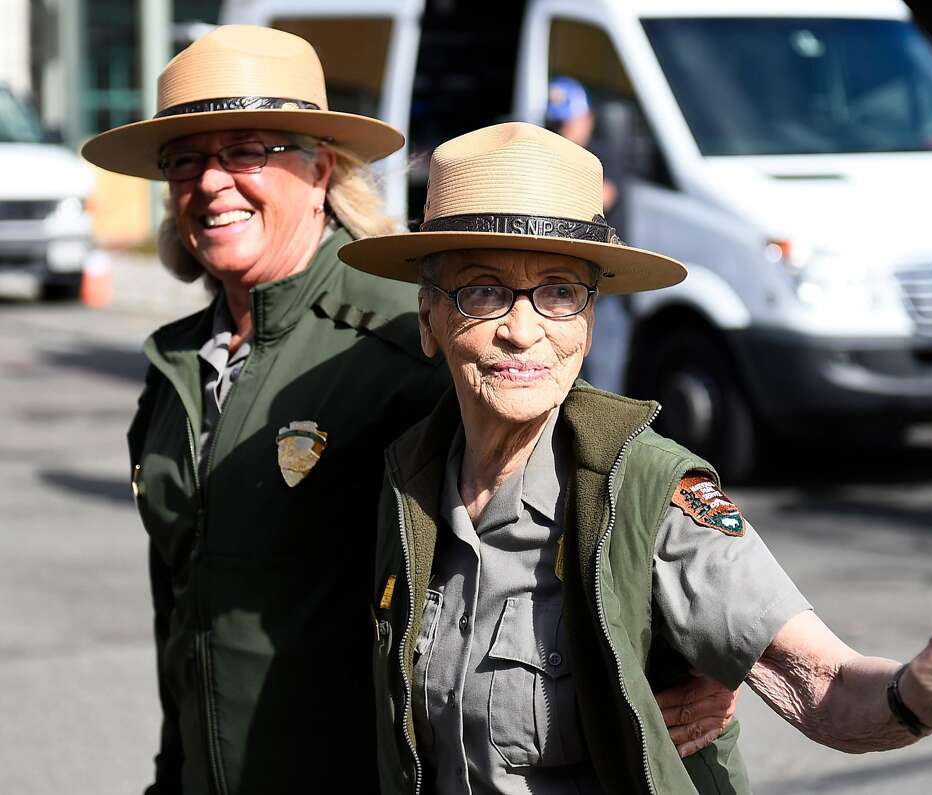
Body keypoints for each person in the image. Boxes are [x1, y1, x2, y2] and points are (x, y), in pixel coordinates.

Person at [340, 122, 932, 793]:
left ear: (590, 323)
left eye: (558, 292)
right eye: (482, 292)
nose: (521, 329)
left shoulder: (649, 494)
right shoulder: (409, 479)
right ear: (432, 319)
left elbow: (821, 684)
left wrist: (914, 696)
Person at [81, 27, 727, 795]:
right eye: (185, 159)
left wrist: (697, 646)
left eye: (247, 150)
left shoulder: (406, 332)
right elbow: (180, 615)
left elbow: (590, 455)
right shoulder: (177, 366)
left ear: (318, 168)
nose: (212, 181)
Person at [545, 76, 633, 394]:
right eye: (558, 123)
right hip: (563, 277)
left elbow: (604, 195)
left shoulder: (601, 154)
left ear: (589, 119)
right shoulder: (554, 154)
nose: (563, 130)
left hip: (604, 278)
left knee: (604, 376)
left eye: (569, 122)